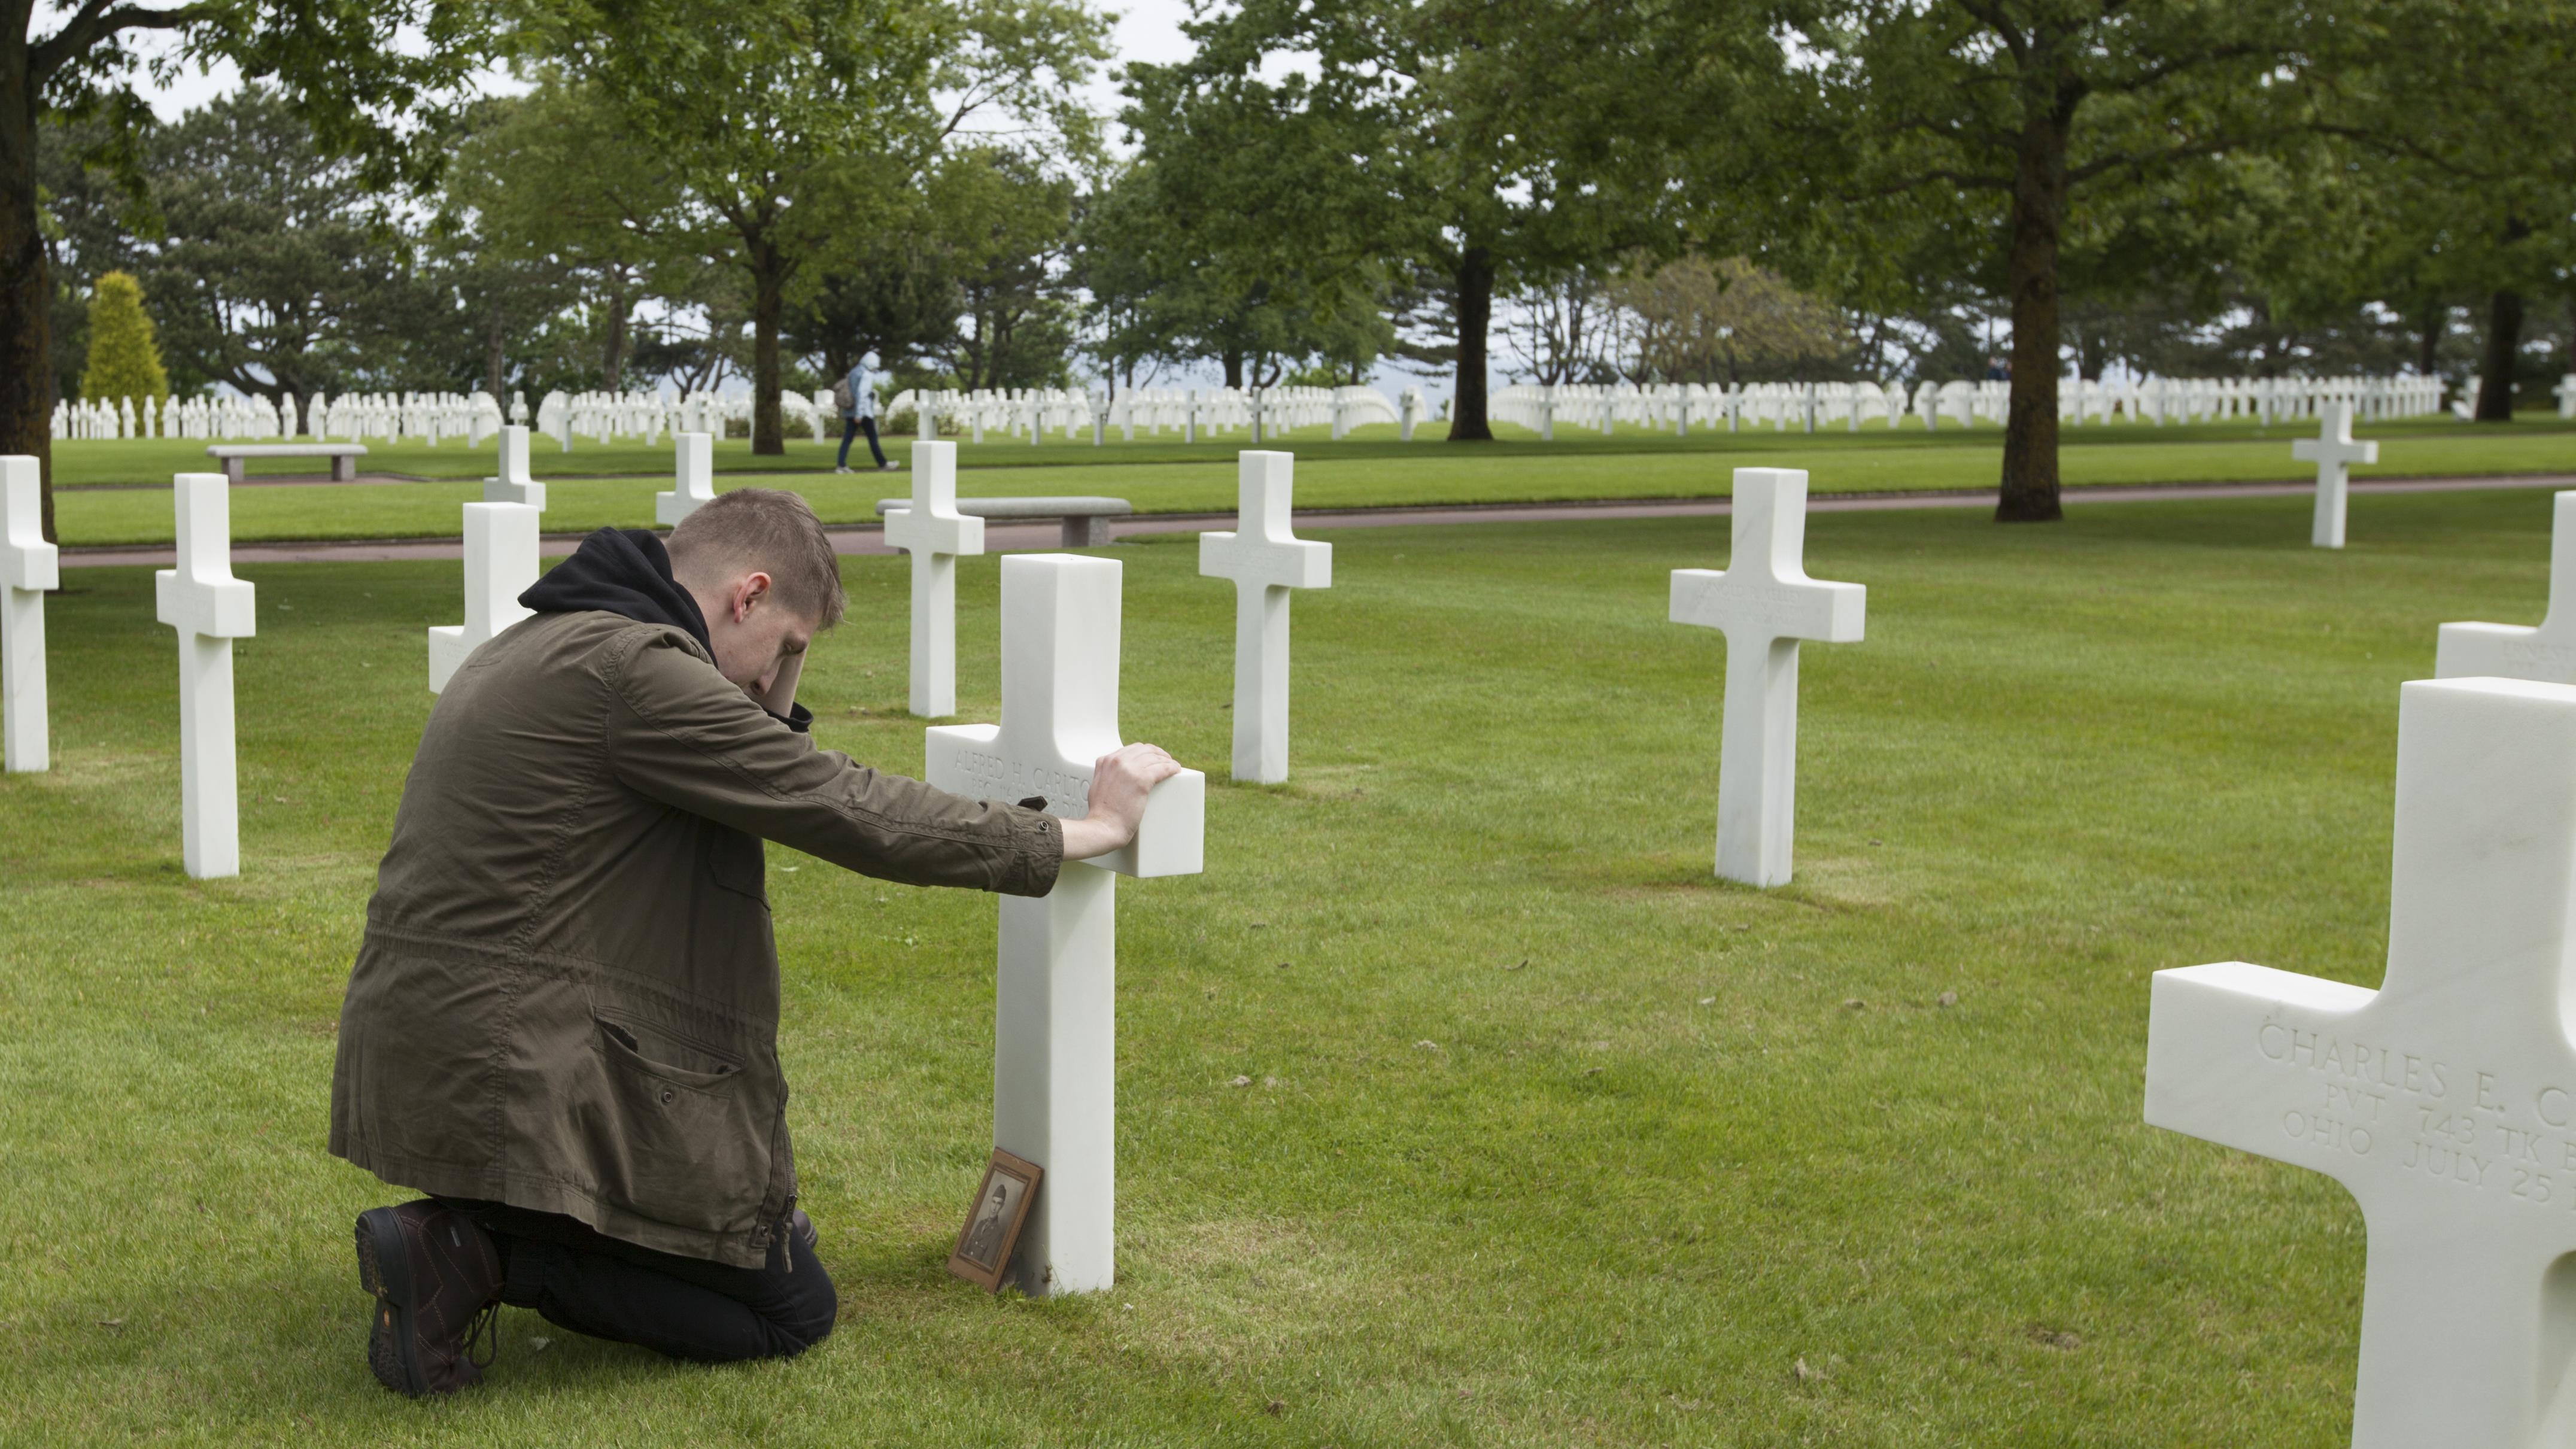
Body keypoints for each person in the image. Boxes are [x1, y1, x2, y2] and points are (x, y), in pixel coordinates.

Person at [330, 487, 1183, 1396]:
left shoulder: (551, 637)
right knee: (790, 1312)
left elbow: (762, 746)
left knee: (760, 1228)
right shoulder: (639, 674)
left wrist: (776, 669)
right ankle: (475, 1256)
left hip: (442, 1051)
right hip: (511, 1064)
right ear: (748, 594)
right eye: (787, 647)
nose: (776, 675)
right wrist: (1075, 833)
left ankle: (481, 1227)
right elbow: (841, 805)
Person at [834, 351, 896, 473]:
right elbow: (862, 394)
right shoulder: (866, 374)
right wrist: (859, 414)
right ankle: (883, 464)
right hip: (863, 412)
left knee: (847, 439)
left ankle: (841, 465)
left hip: (850, 410)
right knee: (873, 438)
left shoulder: (854, 371)